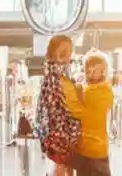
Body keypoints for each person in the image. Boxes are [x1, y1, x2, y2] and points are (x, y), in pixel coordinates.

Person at [64, 50, 114, 176]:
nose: (90, 71)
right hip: (101, 150)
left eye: (93, 68)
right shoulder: (108, 91)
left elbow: (73, 110)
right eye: (88, 68)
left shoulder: (87, 92)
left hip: (87, 151)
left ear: (102, 71)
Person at [36, 35, 81, 176]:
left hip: (63, 130)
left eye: (69, 51)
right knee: (62, 164)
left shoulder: (61, 73)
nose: (67, 55)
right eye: (63, 51)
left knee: (66, 164)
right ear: (53, 52)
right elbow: (53, 106)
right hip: (59, 130)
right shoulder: (53, 75)